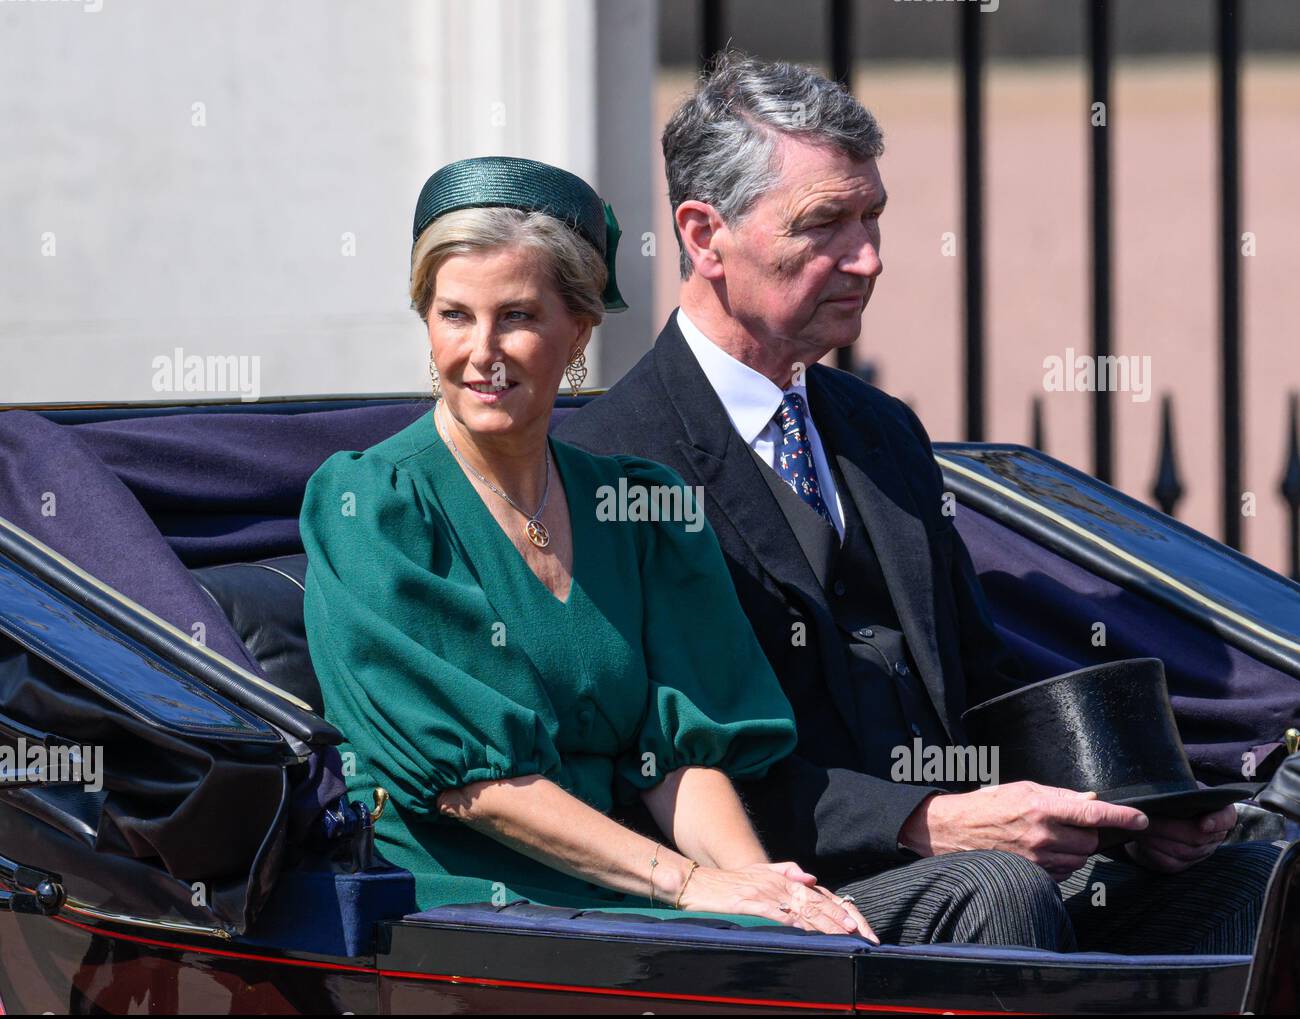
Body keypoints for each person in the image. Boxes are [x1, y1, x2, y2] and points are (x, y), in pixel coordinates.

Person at [556, 52, 1280, 954]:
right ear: (704, 237)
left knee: (1262, 877)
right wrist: (926, 821)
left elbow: (980, 683)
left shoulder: (881, 431)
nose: (868, 257)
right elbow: (655, 761)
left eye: (874, 217)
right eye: (826, 224)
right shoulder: (605, 462)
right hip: (776, 902)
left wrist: (1129, 808)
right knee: (1000, 887)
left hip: (967, 870)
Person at [299, 155, 875, 940]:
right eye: (455, 315)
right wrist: (691, 884)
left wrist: (763, 896)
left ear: (579, 328)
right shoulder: (373, 506)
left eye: (519, 316)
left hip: (640, 907)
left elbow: (680, 755)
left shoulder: (640, 508)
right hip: (462, 921)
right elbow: (479, 784)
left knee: (988, 892)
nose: (482, 352)